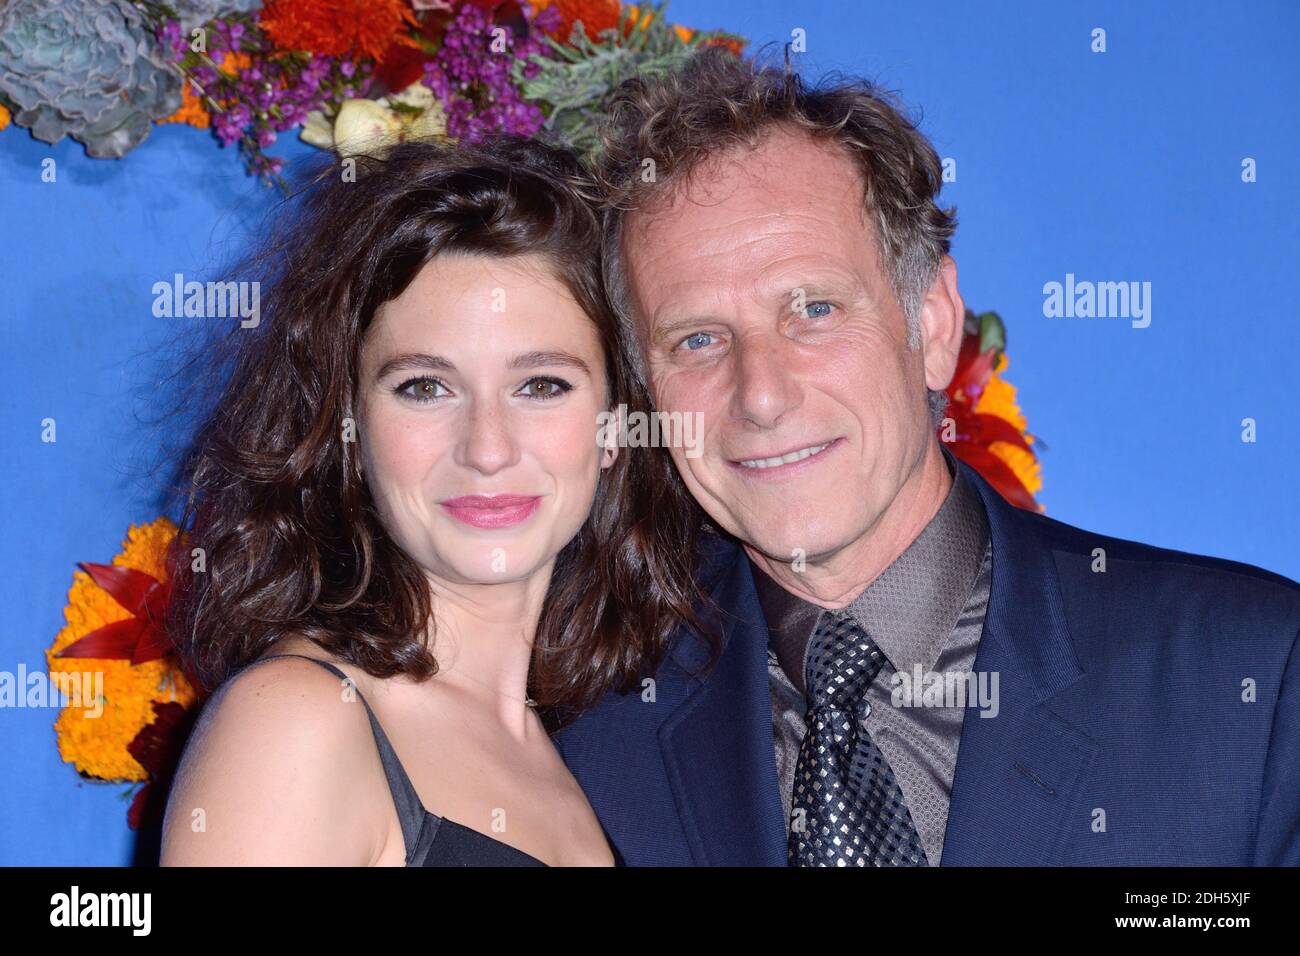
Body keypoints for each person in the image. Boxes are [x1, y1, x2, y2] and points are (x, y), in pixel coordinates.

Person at [552, 48, 1300, 866]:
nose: (760, 394)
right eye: (697, 339)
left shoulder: (1250, 687)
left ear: (934, 326)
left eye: (814, 309)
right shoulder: (574, 723)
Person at [159, 136, 712, 867]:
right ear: (348, 428)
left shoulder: (593, 758)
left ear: (615, 426)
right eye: (425, 387)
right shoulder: (297, 725)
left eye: (541, 385)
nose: (487, 448)